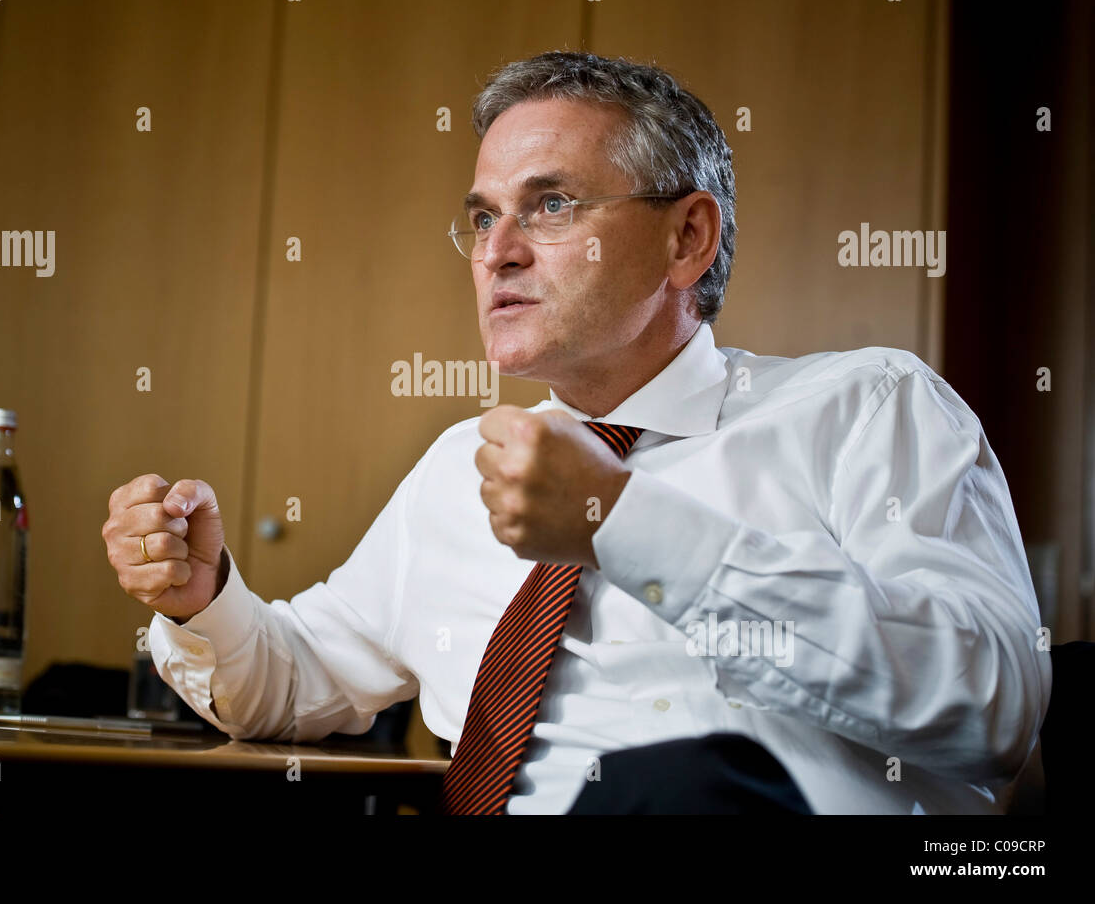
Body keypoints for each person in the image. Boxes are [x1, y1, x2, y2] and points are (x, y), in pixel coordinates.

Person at [101, 51, 1050, 814]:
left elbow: (993, 702)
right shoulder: (459, 470)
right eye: (482, 217)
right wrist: (204, 598)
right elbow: (300, 679)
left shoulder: (866, 408)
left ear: (687, 240)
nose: (498, 252)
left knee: (675, 787)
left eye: (551, 205)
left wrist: (621, 522)